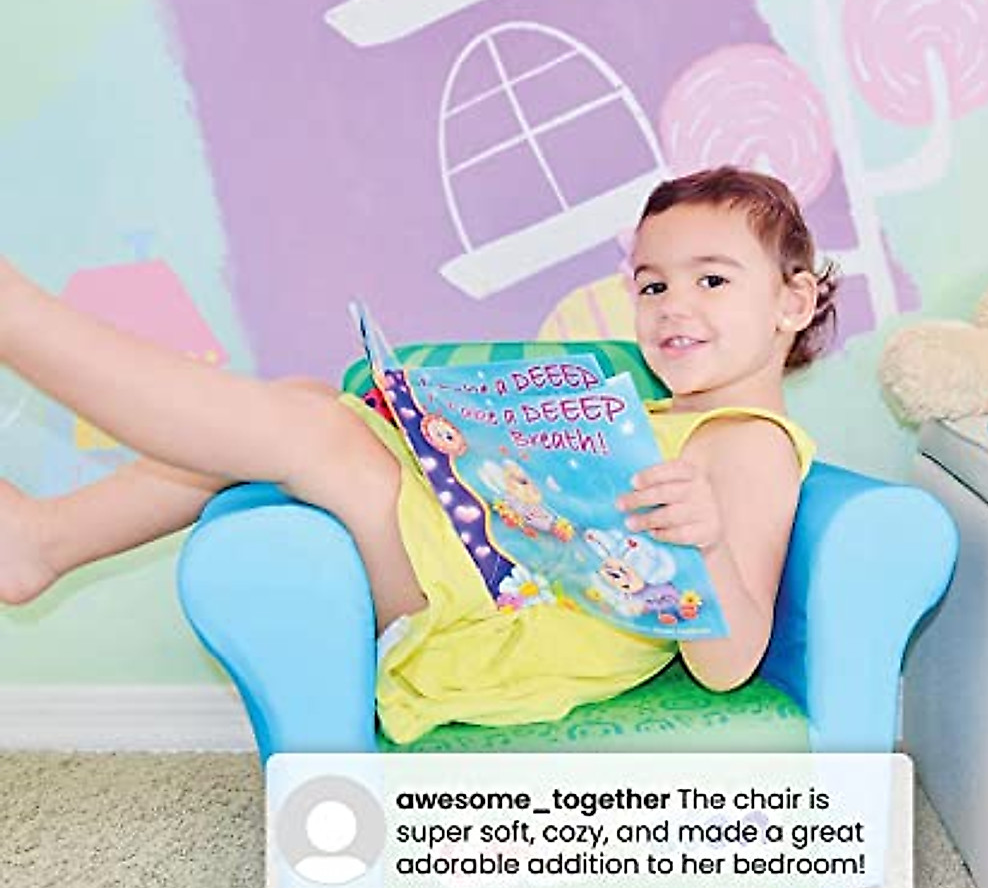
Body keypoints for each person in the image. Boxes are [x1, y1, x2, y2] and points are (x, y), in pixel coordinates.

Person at [0, 166, 837, 742]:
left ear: (792, 301)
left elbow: (728, 666)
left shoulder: (752, 445)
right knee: (307, 401)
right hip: (486, 566)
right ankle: (45, 540)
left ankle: (21, 318)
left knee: (317, 435)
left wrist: (705, 543)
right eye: (653, 284)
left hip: (504, 623)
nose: (673, 305)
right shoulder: (643, 414)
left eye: (712, 280)